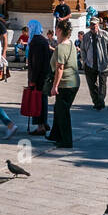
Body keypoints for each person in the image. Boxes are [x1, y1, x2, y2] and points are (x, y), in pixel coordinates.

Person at [47, 19, 80, 147]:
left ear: (59, 30)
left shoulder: (60, 47)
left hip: (66, 84)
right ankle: (55, 135)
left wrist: (55, 86)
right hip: (74, 82)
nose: (55, 31)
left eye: (56, 28)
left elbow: (60, 68)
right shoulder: (70, 43)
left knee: (63, 113)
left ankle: (66, 141)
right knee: (58, 109)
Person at [77, 15, 108, 111]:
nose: (92, 27)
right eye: (91, 25)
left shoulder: (105, 35)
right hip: (90, 64)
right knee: (92, 85)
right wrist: (84, 60)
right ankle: (96, 102)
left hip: (103, 64)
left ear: (98, 25)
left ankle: (100, 100)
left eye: (94, 25)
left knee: (102, 84)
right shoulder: (86, 36)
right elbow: (83, 49)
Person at [25, 19, 51, 135]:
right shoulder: (43, 40)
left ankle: (41, 126)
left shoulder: (35, 42)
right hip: (44, 76)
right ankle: (44, 122)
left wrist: (33, 80)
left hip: (38, 77)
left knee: (38, 101)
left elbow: (36, 63)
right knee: (43, 100)